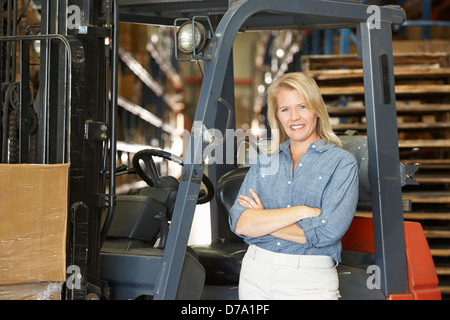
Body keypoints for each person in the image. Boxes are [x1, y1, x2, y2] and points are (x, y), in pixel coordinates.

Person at [228, 72, 359, 300]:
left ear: (316, 110)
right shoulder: (265, 161)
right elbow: (239, 223)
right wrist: (300, 212)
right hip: (255, 272)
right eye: (285, 109)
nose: (294, 117)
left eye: (302, 107)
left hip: (308, 278)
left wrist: (263, 220)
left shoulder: (341, 163)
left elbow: (327, 231)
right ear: (277, 116)